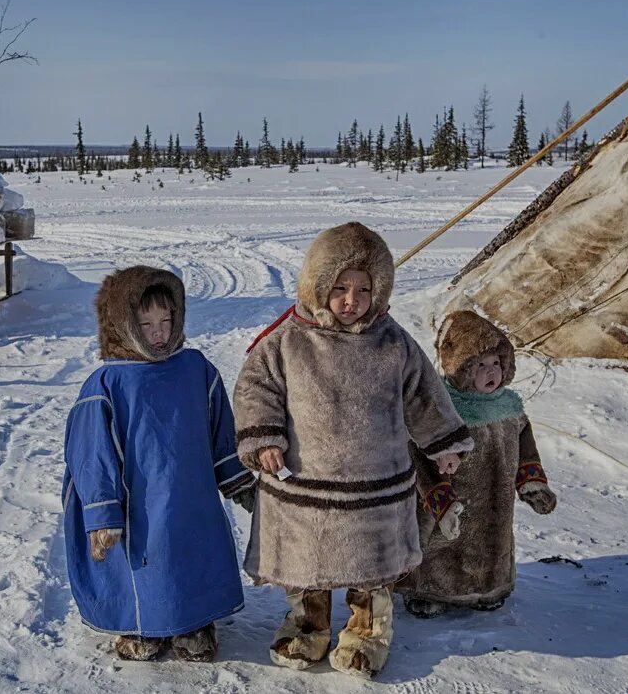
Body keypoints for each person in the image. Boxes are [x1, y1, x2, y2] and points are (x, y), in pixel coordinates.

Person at [234, 222, 473, 678]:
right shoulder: (287, 340)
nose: (351, 299)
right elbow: (255, 388)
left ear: (379, 290)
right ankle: (307, 626)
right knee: (307, 563)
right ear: (318, 285)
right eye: (340, 287)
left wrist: (442, 443)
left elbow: (424, 393)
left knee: (372, 568)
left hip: (375, 485)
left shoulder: (392, 340)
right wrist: (264, 437)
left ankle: (367, 632)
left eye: (363, 288)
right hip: (302, 482)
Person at [61, 266, 256, 662]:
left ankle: (196, 624)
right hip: (138, 505)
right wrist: (102, 515)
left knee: (192, 554)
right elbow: (91, 455)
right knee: (145, 564)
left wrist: (237, 480)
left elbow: (220, 428)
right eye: (146, 323)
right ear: (122, 324)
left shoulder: (196, 369)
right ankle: (139, 625)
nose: (160, 333)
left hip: (191, 496)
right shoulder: (107, 385)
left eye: (167, 321)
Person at [398, 310, 557, 618]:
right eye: (480, 365)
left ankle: (489, 589)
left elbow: (526, 449)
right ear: (460, 367)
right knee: (444, 546)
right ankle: (429, 590)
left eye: (496, 363)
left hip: (497, 502)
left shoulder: (510, 409)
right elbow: (419, 458)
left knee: (493, 540)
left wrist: (532, 484)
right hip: (453, 502)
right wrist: (439, 499)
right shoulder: (443, 410)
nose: (491, 372)